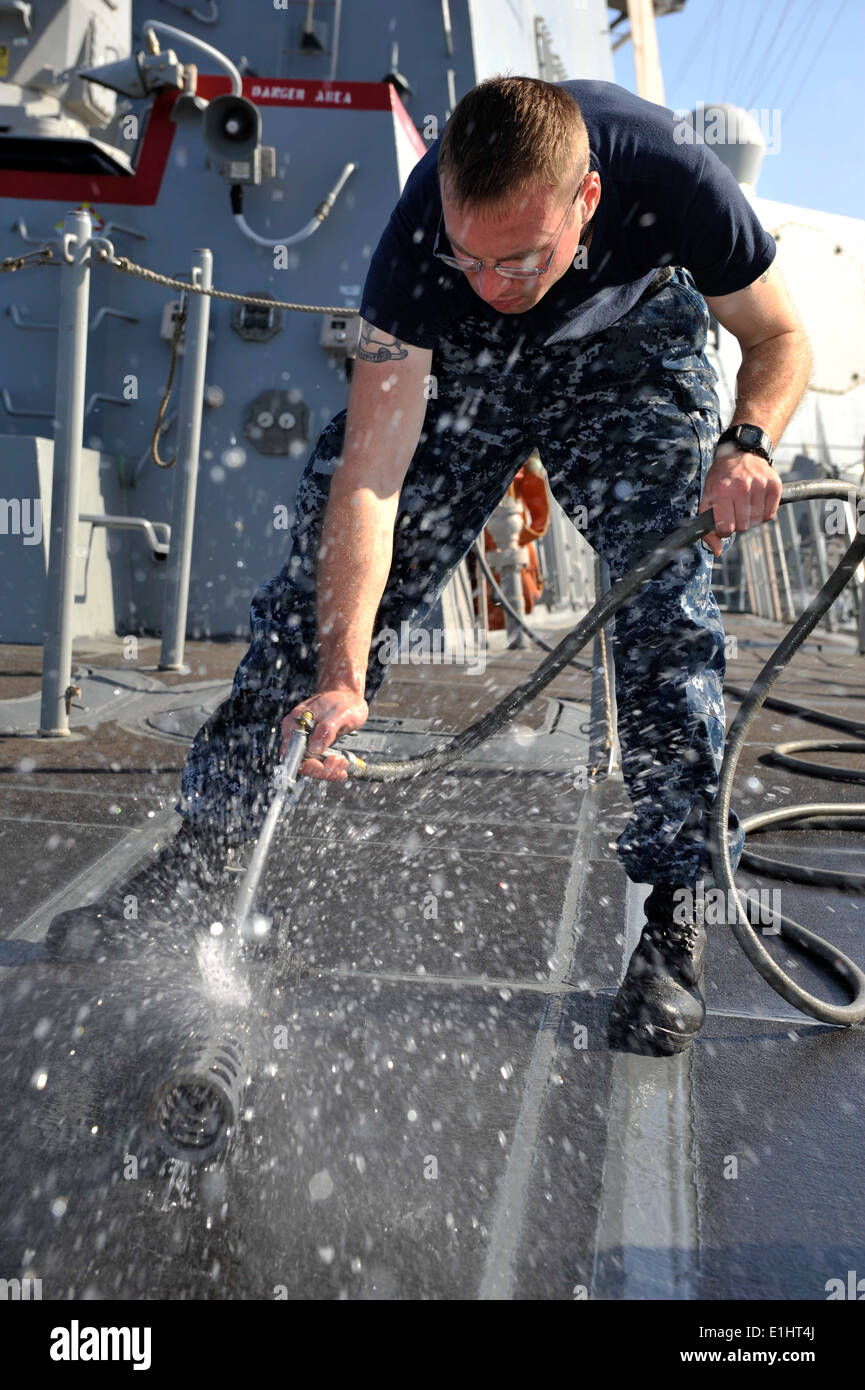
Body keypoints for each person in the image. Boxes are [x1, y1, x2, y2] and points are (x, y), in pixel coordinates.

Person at [48, 77, 810, 1056]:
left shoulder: (673, 175)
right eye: (471, 256)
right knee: (312, 608)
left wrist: (747, 442)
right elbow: (371, 481)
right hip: (469, 363)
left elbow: (777, 334)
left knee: (664, 607)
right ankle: (203, 855)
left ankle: (676, 915)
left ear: (587, 200)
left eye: (520, 258)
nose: (493, 279)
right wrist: (340, 671)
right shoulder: (419, 247)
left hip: (623, 352)